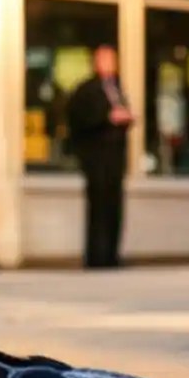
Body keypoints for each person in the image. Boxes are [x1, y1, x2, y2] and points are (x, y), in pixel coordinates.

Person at [68, 45, 132, 270]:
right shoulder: (87, 90)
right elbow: (80, 120)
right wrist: (107, 118)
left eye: (112, 59)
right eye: (104, 60)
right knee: (98, 208)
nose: (109, 64)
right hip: (96, 159)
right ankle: (96, 255)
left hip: (115, 159)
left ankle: (112, 254)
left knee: (114, 207)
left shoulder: (117, 89)